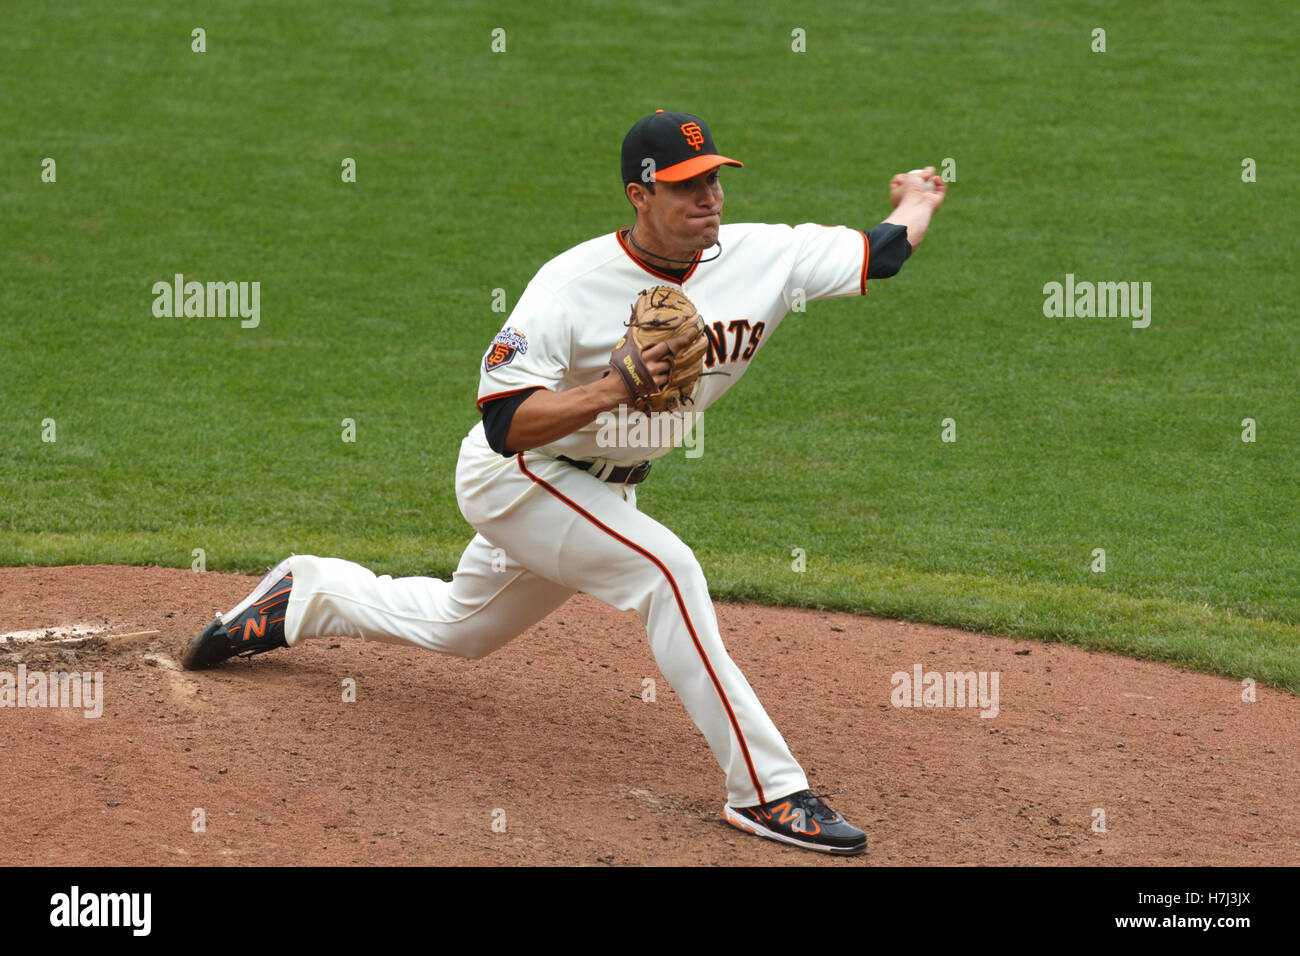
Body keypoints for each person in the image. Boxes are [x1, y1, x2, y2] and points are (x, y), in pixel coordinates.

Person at [183, 110, 946, 856]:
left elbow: (881, 254)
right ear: (639, 196)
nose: (708, 197)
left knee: (463, 628)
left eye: (714, 178)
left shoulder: (764, 256)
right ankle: (768, 791)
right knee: (666, 572)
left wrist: (917, 198)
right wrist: (614, 386)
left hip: (603, 490)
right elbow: (504, 422)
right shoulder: (569, 284)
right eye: (685, 186)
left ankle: (308, 594)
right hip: (519, 476)